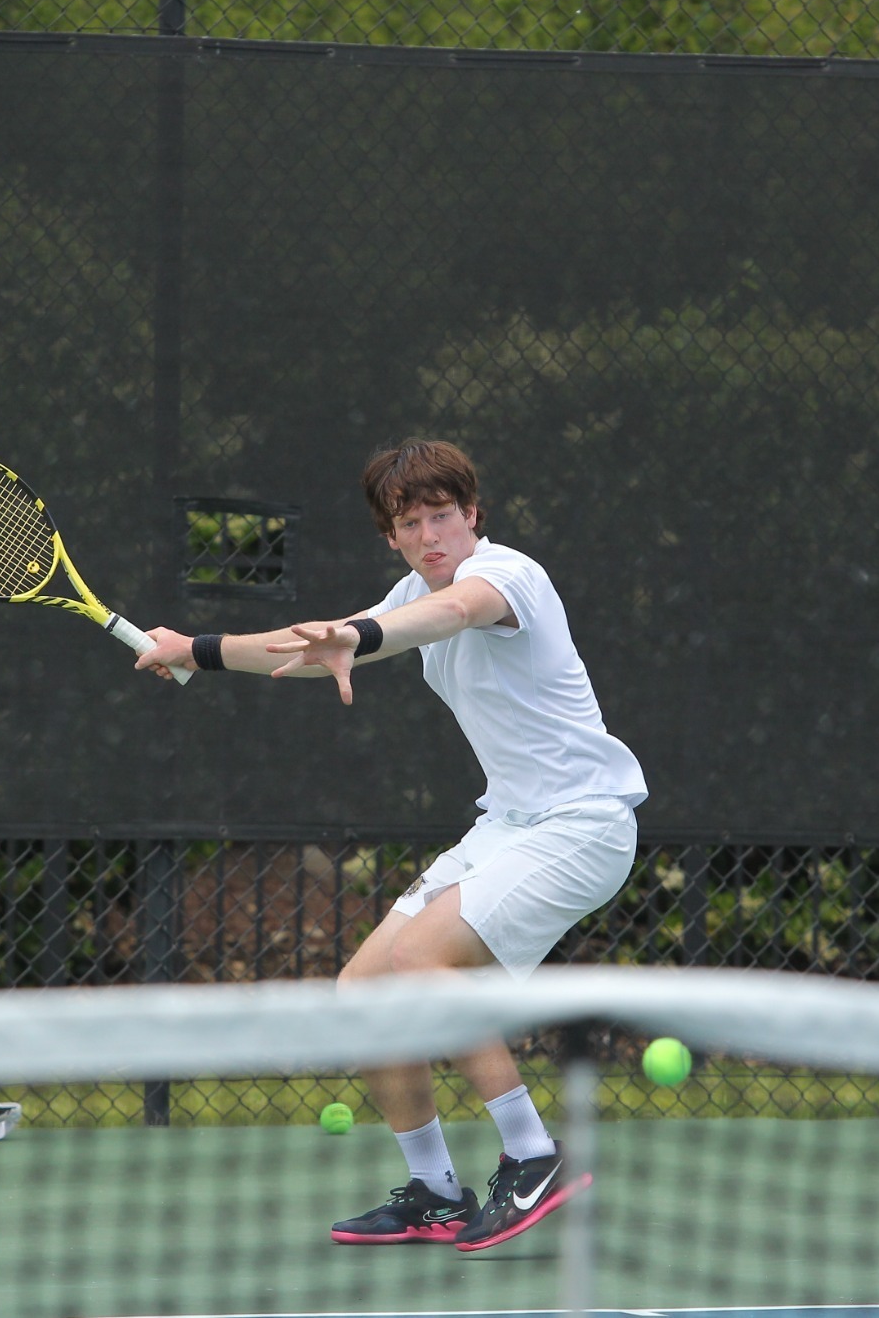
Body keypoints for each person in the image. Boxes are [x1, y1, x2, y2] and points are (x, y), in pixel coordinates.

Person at [133, 438, 646, 1252]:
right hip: (508, 826)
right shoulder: (407, 591)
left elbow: (450, 612)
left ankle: (532, 1154)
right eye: (413, 522)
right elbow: (312, 647)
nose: (432, 533)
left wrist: (359, 634)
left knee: (424, 961)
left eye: (444, 515)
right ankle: (435, 1190)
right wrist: (192, 650)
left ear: (472, 516)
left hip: (582, 824)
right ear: (394, 536)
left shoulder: (509, 577)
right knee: (367, 987)